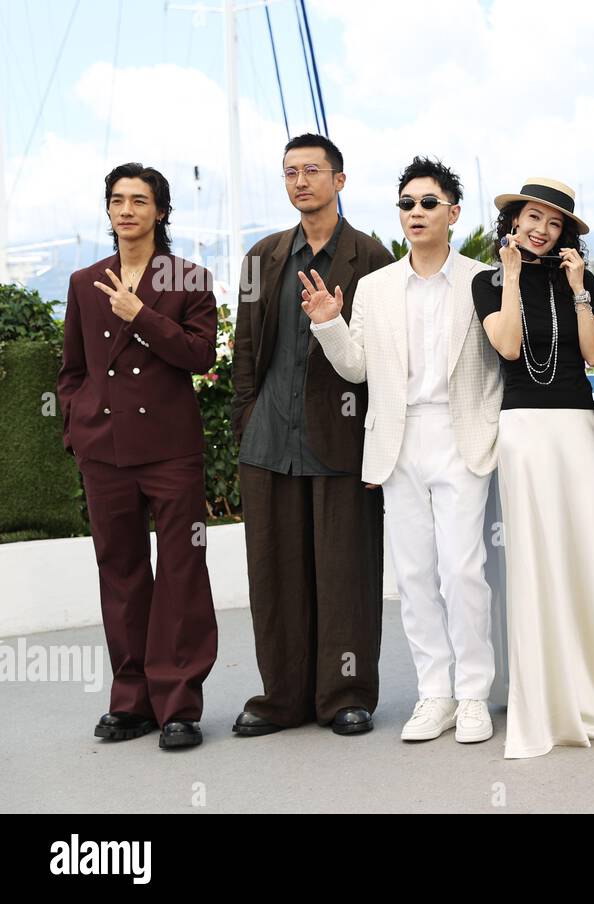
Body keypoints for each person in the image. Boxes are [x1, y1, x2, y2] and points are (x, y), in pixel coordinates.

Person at [306, 157, 501, 744]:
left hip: (462, 435)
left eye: (428, 203)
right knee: (414, 575)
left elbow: (505, 352)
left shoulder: (484, 279)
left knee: (463, 570)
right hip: (397, 439)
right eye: (407, 204)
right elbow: (356, 367)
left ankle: (473, 695)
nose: (415, 212)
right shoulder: (375, 286)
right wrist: (328, 325)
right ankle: (434, 693)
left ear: (453, 213)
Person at [230, 133, 394, 737]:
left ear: (339, 181)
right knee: (274, 573)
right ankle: (282, 698)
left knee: (346, 571)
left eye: (312, 171)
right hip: (269, 441)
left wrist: (376, 440)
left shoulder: (372, 258)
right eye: (290, 173)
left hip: (342, 440)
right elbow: (245, 348)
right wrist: (248, 421)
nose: (300, 182)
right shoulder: (262, 257)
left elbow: (383, 356)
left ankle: (346, 694)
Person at [58, 163, 217, 749]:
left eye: (140, 201)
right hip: (104, 451)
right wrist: (75, 425)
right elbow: (71, 368)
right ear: (108, 211)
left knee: (181, 572)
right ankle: (131, 702)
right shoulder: (83, 281)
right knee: (120, 573)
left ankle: (178, 705)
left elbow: (201, 355)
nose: (127, 210)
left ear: (160, 211)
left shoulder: (189, 277)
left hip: (171, 451)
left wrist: (141, 316)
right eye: (118, 201)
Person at [472, 177, 594, 758]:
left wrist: (579, 291)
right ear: (514, 221)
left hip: (576, 429)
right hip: (524, 432)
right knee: (538, 561)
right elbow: (509, 347)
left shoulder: (580, 278)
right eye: (531, 217)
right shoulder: (488, 282)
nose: (541, 229)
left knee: (592, 554)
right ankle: (545, 702)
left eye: (553, 222)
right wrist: (512, 277)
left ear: (565, 232)